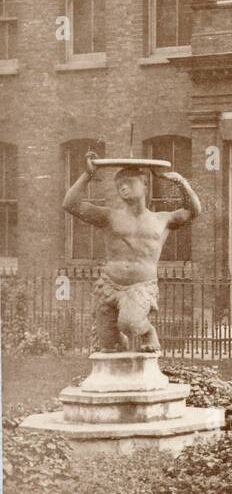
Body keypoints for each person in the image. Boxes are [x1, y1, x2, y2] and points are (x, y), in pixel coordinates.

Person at [63, 151, 201, 353]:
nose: (123, 188)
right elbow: (70, 204)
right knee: (109, 343)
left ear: (145, 185)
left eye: (128, 182)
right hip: (108, 286)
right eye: (119, 185)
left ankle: (148, 332)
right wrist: (88, 174)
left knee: (130, 323)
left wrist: (179, 181)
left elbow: (193, 210)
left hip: (140, 287)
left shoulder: (162, 219)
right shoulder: (109, 216)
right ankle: (124, 373)